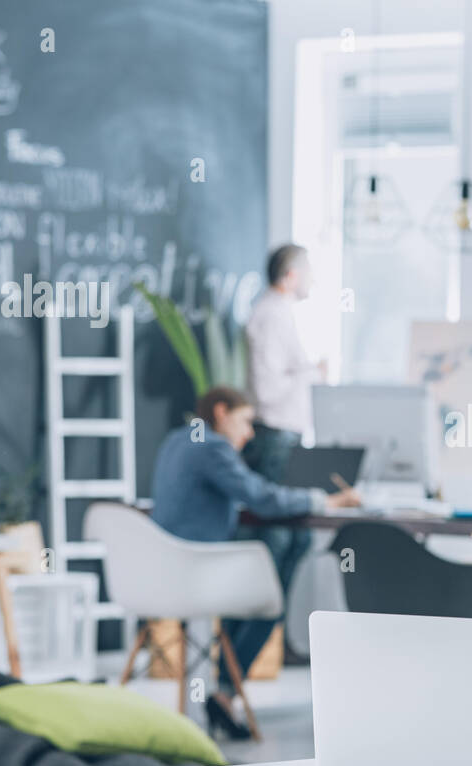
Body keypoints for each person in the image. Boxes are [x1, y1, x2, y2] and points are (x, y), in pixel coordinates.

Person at [151, 385, 359, 738]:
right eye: (245, 421)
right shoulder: (213, 447)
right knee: (268, 608)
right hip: (195, 575)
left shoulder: (176, 440)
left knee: (252, 592)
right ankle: (224, 692)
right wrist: (328, 501)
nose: (249, 434)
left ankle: (223, 693)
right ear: (221, 412)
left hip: (159, 573)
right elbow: (261, 498)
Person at [240, 243, 326, 660]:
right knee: (277, 543)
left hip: (285, 438)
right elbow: (269, 389)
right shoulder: (272, 315)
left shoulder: (279, 313)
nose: (313, 280)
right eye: (308, 271)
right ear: (290, 275)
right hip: (275, 437)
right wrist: (312, 373)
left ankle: (247, 653)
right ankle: (239, 657)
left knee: (296, 538)